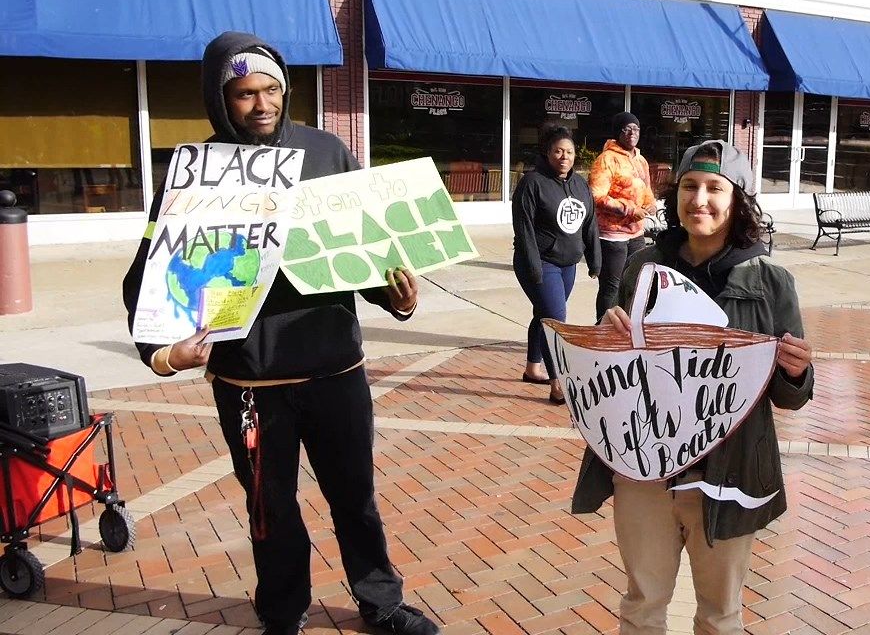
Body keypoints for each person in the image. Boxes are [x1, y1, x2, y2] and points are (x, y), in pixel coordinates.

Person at [122, 32, 440, 635]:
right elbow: (150, 273)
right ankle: (283, 613)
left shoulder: (326, 152)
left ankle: (383, 604)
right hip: (250, 385)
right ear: (221, 101)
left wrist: (393, 297)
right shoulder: (195, 175)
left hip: (335, 373)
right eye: (244, 94)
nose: (261, 103)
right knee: (271, 512)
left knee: (356, 501)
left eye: (271, 89)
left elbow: (365, 253)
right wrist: (162, 353)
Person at [573, 140, 815, 634]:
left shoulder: (771, 281)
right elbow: (617, 367)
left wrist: (795, 372)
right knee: (643, 604)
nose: (699, 199)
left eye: (713, 188)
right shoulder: (643, 267)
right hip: (644, 467)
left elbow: (789, 397)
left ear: (738, 199)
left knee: (719, 613)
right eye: (689, 186)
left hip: (727, 472)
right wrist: (608, 334)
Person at [512, 125, 601, 403]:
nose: (564, 156)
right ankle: (558, 383)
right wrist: (534, 266)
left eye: (570, 152)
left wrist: (594, 258)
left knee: (545, 314)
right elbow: (523, 228)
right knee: (555, 320)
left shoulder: (579, 184)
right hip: (539, 261)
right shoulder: (532, 183)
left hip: (567, 264)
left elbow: (589, 223)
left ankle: (531, 368)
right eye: (558, 151)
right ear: (547, 153)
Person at [590, 111, 656, 322]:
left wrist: (650, 203)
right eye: (626, 129)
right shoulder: (606, 159)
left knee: (635, 282)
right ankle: (602, 328)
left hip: (636, 232)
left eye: (635, 129)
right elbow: (597, 196)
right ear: (618, 133)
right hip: (612, 235)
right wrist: (628, 209)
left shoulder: (641, 160)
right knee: (612, 286)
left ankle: (625, 328)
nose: (631, 133)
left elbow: (645, 188)